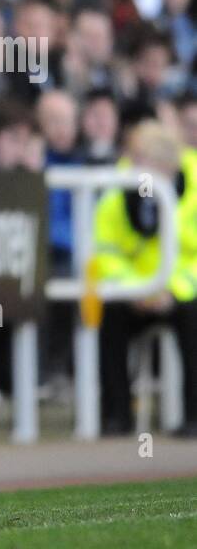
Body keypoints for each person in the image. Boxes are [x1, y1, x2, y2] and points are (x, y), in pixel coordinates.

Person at [93, 121, 197, 437]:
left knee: (194, 320)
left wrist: (173, 290)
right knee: (107, 316)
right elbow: (104, 253)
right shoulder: (117, 193)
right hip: (135, 293)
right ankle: (117, 416)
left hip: (181, 290)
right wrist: (136, 290)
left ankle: (193, 418)